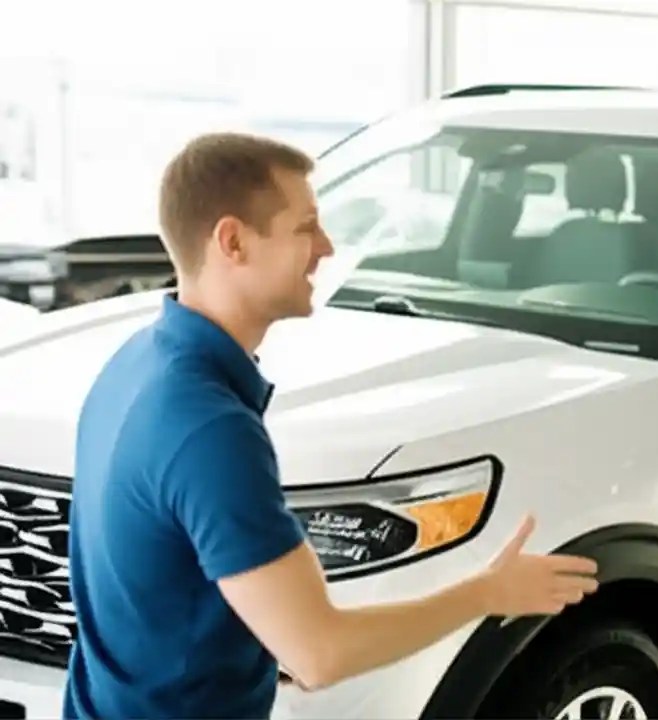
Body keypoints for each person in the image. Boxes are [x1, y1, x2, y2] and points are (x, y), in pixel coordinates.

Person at [63, 132, 599, 719]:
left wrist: (266, 634)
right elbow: (320, 655)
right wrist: (489, 592)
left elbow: (159, 580)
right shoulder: (208, 428)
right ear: (232, 241)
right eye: (305, 227)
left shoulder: (138, 364)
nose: (325, 246)